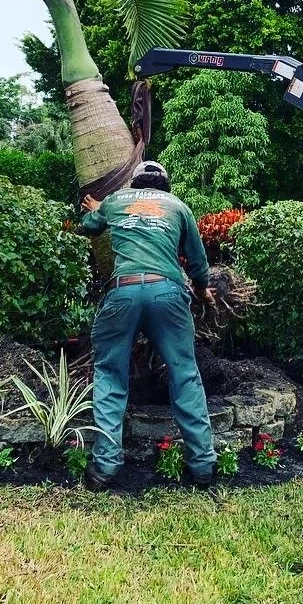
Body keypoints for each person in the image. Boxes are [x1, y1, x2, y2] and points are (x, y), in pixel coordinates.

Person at [77, 160, 217, 490]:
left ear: (135, 183)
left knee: (111, 372)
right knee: (184, 372)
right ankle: (202, 467)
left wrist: (96, 209)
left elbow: (89, 225)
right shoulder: (179, 207)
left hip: (123, 292)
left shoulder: (116, 199)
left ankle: (104, 468)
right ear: (164, 186)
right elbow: (197, 261)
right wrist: (202, 289)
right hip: (167, 293)